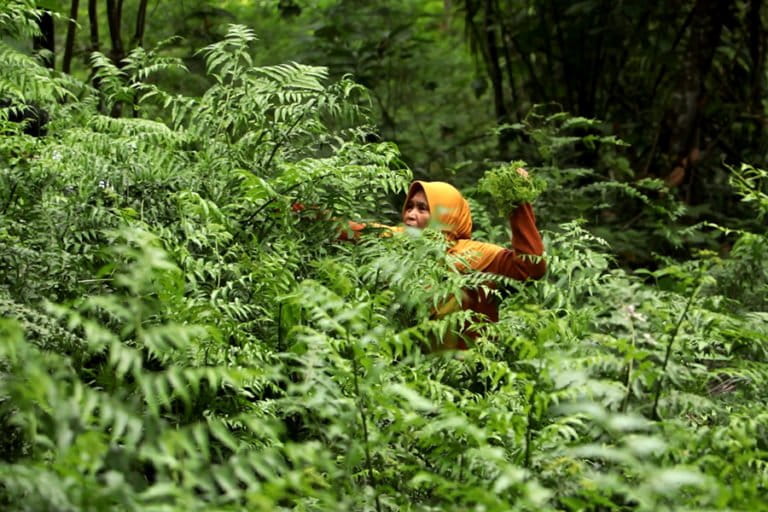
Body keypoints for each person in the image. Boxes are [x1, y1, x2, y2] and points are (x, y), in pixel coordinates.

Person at [342, 173, 546, 349]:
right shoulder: (398, 240)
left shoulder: (476, 256)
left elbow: (531, 267)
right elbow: (348, 229)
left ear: (447, 216)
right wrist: (310, 210)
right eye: (410, 207)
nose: (411, 215)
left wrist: (518, 204)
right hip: (407, 372)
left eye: (422, 209)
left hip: (467, 378)